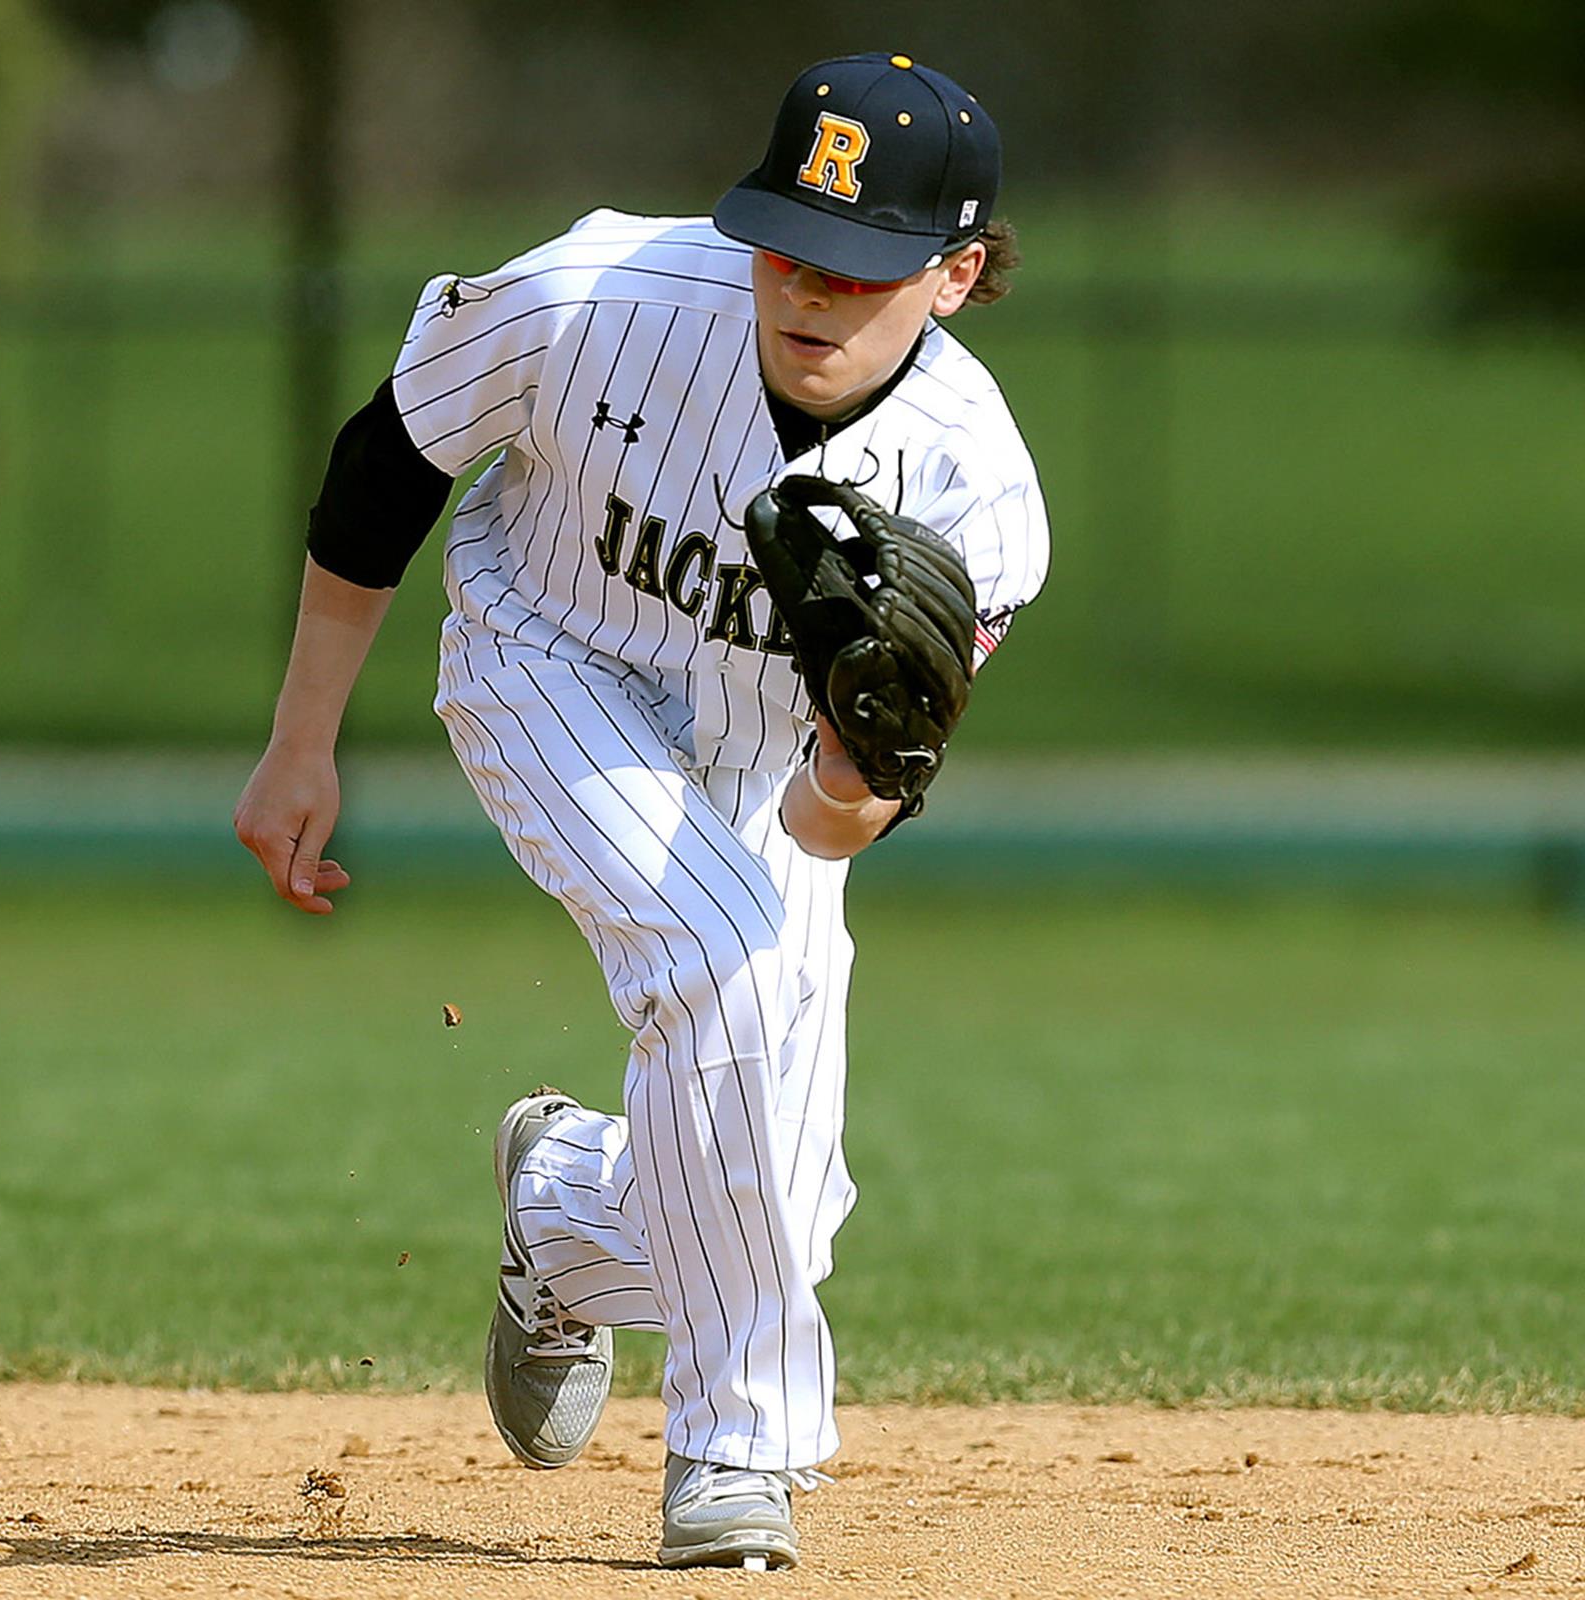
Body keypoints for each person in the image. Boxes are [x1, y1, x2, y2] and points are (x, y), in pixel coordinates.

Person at [232, 53, 1050, 1571]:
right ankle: (738, 1455)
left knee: (783, 1207)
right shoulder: (594, 295)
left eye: (860, 269)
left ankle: (564, 1212)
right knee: (722, 956)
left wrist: (847, 784)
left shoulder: (975, 492)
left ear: (955, 274)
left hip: (764, 766)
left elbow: (831, 823)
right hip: (546, 656)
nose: (807, 293)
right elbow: (385, 462)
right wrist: (301, 742)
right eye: (788, 250)